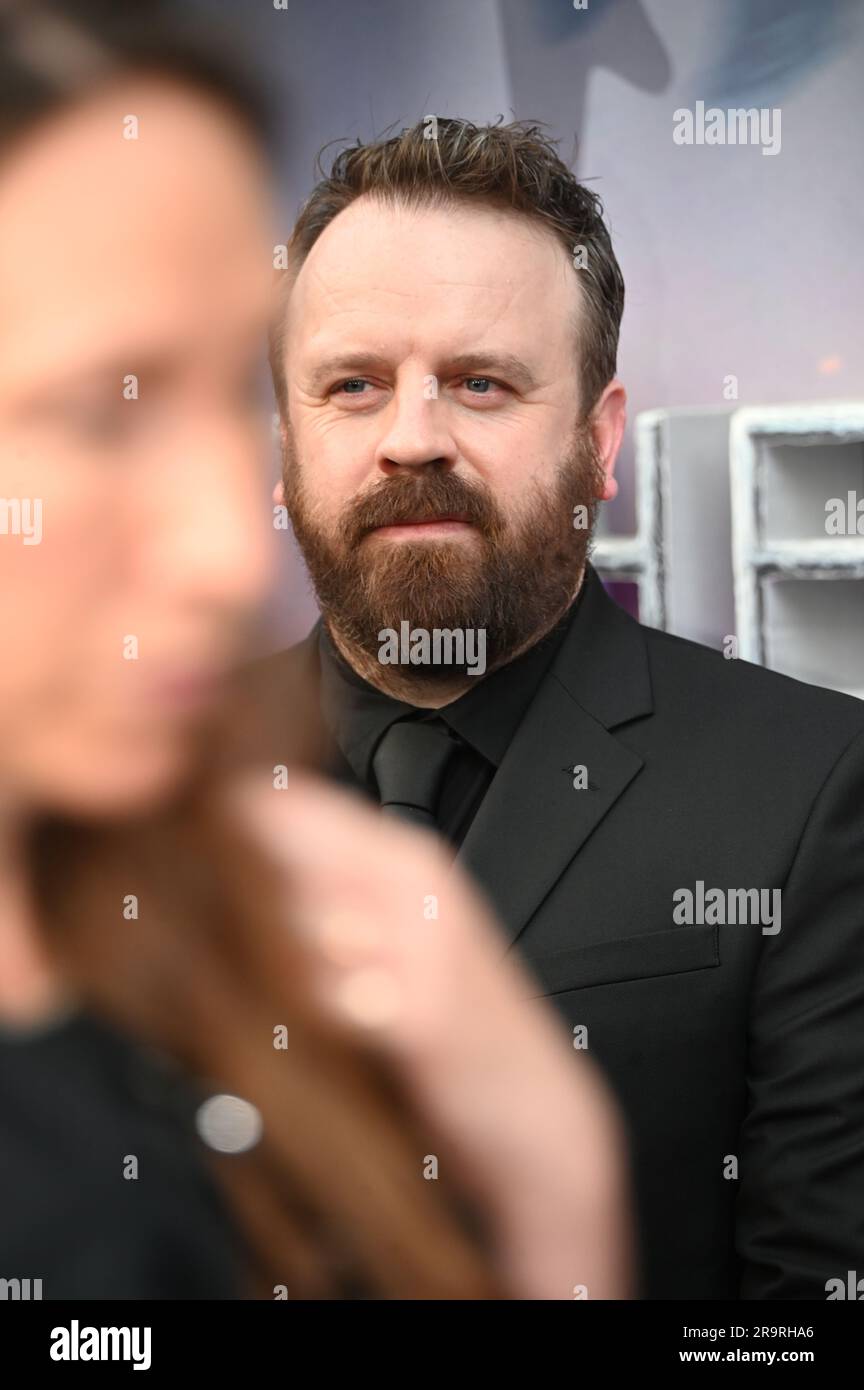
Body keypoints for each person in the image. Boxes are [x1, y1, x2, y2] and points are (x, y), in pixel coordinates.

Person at [0, 1, 630, 1301]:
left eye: (222, 390)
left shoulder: (194, 883)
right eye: (106, 413)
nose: (235, 549)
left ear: (600, 438)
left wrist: (561, 1186)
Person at [268, 115, 864, 1299]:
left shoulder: (812, 788)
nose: (412, 438)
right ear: (287, 437)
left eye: (479, 383)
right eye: (354, 386)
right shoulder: (140, 790)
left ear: (599, 441)